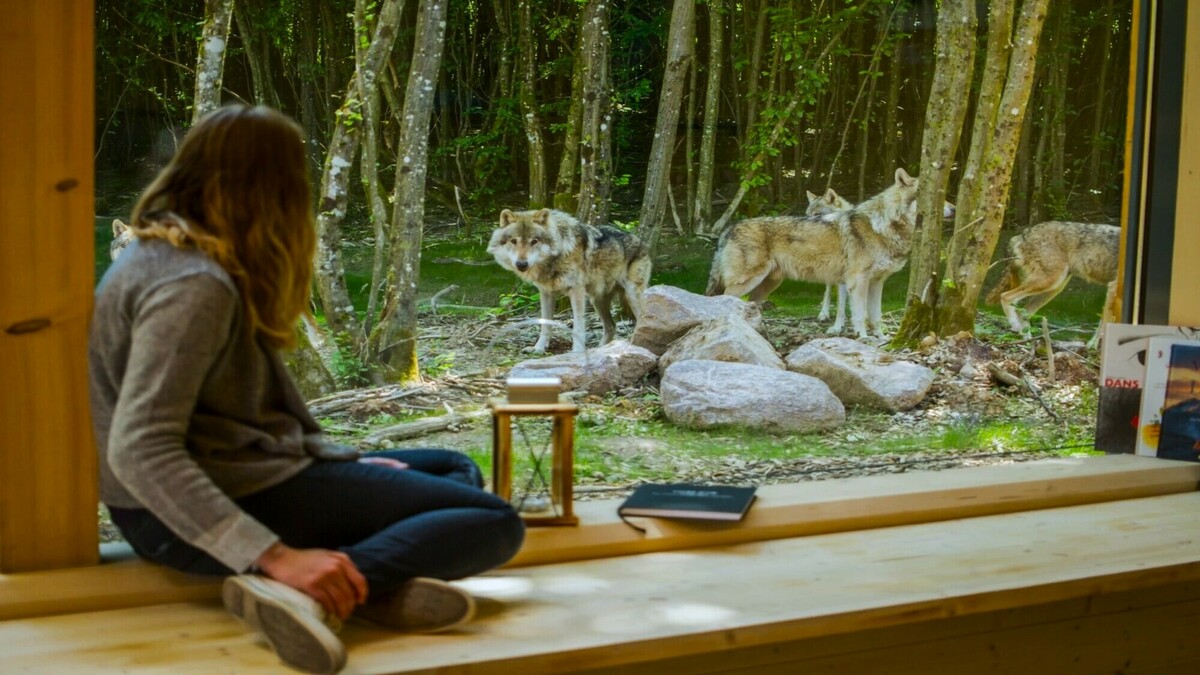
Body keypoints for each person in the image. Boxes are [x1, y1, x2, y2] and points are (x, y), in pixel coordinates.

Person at [89, 104, 525, 674]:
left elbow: (222, 425)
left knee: (447, 468)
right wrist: (274, 556)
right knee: (493, 521)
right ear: (275, 189)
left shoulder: (164, 250)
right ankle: (307, 592)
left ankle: (357, 588)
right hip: (181, 515)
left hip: (234, 475)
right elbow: (140, 447)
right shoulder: (193, 284)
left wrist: (345, 463)